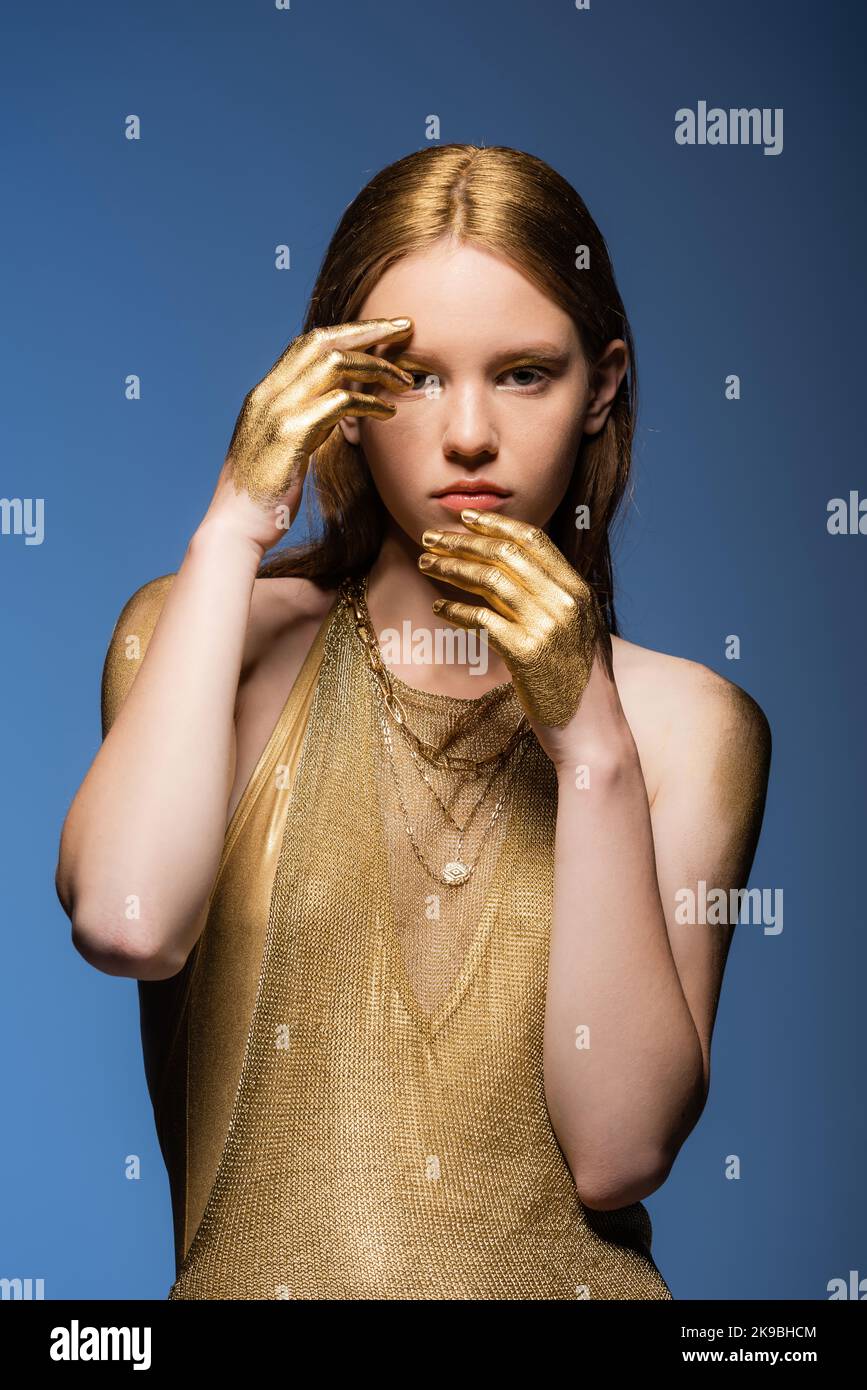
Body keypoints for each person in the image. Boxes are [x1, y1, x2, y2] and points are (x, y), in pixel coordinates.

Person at [55, 144, 771, 1300]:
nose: (471, 432)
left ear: (603, 386)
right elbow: (129, 923)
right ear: (332, 390)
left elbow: (620, 1150)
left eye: (526, 372)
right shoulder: (206, 638)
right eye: (416, 375)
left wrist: (591, 745)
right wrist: (236, 522)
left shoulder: (687, 723)